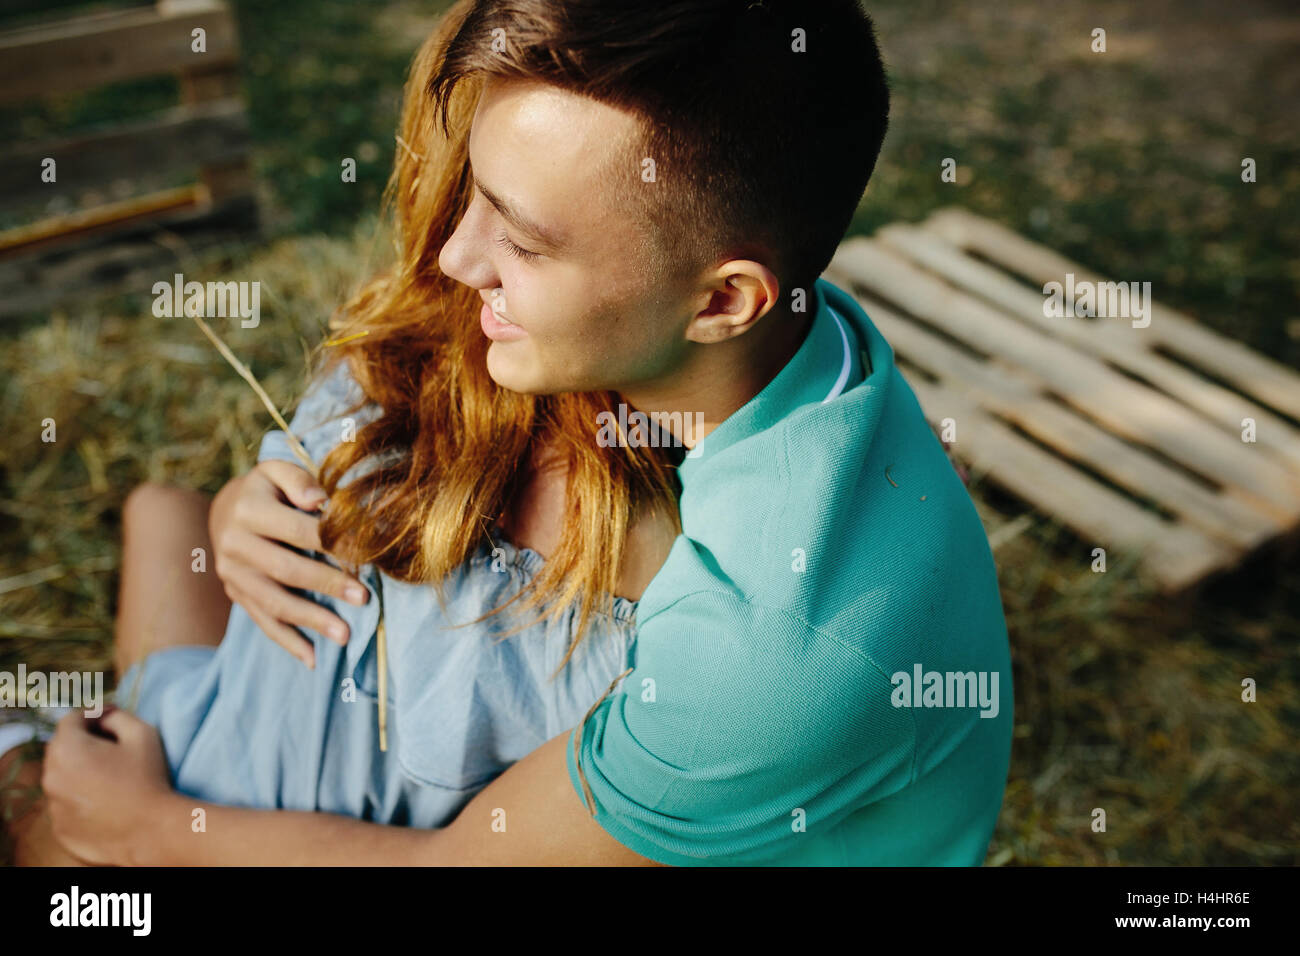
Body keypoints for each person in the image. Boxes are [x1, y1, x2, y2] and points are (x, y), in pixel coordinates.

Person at [6, 0, 1012, 866]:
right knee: (168, 536)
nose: (452, 255)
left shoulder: (763, 653)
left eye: (523, 241)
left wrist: (145, 828)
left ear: (722, 301)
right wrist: (240, 509)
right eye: (476, 196)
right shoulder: (757, 336)